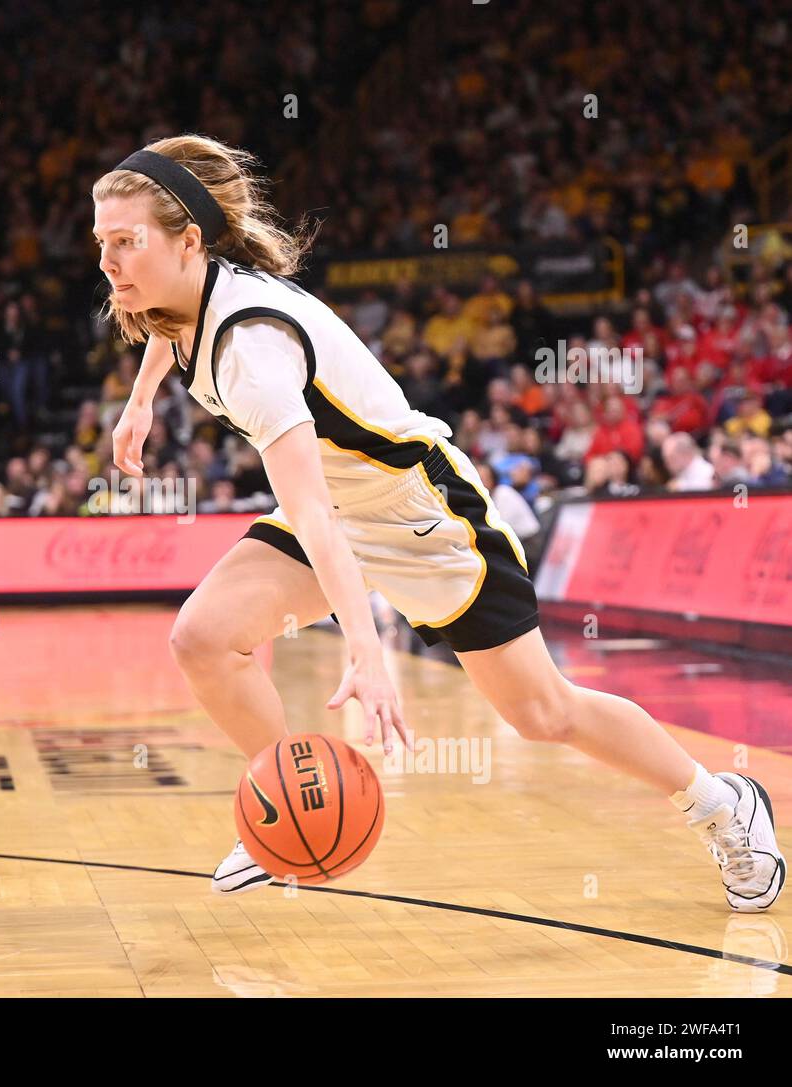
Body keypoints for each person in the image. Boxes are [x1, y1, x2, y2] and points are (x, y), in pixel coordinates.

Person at [97, 136, 783, 908]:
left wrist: (366, 651)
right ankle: (288, 803)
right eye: (103, 244)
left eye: (127, 242)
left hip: (420, 509)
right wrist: (142, 398)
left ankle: (721, 802)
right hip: (339, 498)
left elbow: (317, 516)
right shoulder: (183, 294)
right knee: (201, 638)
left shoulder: (254, 349)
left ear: (188, 241)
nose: (110, 262)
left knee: (544, 713)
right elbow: (169, 329)